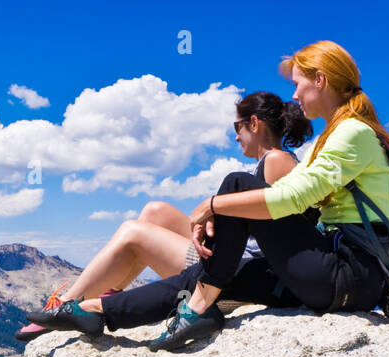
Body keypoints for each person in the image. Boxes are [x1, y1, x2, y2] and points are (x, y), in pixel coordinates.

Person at [34, 40, 389, 352]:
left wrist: (215, 206)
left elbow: (294, 199)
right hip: (338, 276)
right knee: (202, 278)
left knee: (237, 184)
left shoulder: (353, 133)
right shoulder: (340, 133)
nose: (294, 95)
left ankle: (197, 311)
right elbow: (305, 205)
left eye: (298, 84)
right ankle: (97, 313)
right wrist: (225, 220)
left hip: (347, 274)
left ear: (320, 80)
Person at [18, 91, 315, 342]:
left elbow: (276, 233)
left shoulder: (276, 161)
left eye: (237, 127)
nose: (236, 137)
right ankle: (107, 295)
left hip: (240, 267)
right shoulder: (270, 162)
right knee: (154, 212)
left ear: (254, 123)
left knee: (134, 233)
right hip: (237, 254)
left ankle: (69, 305)